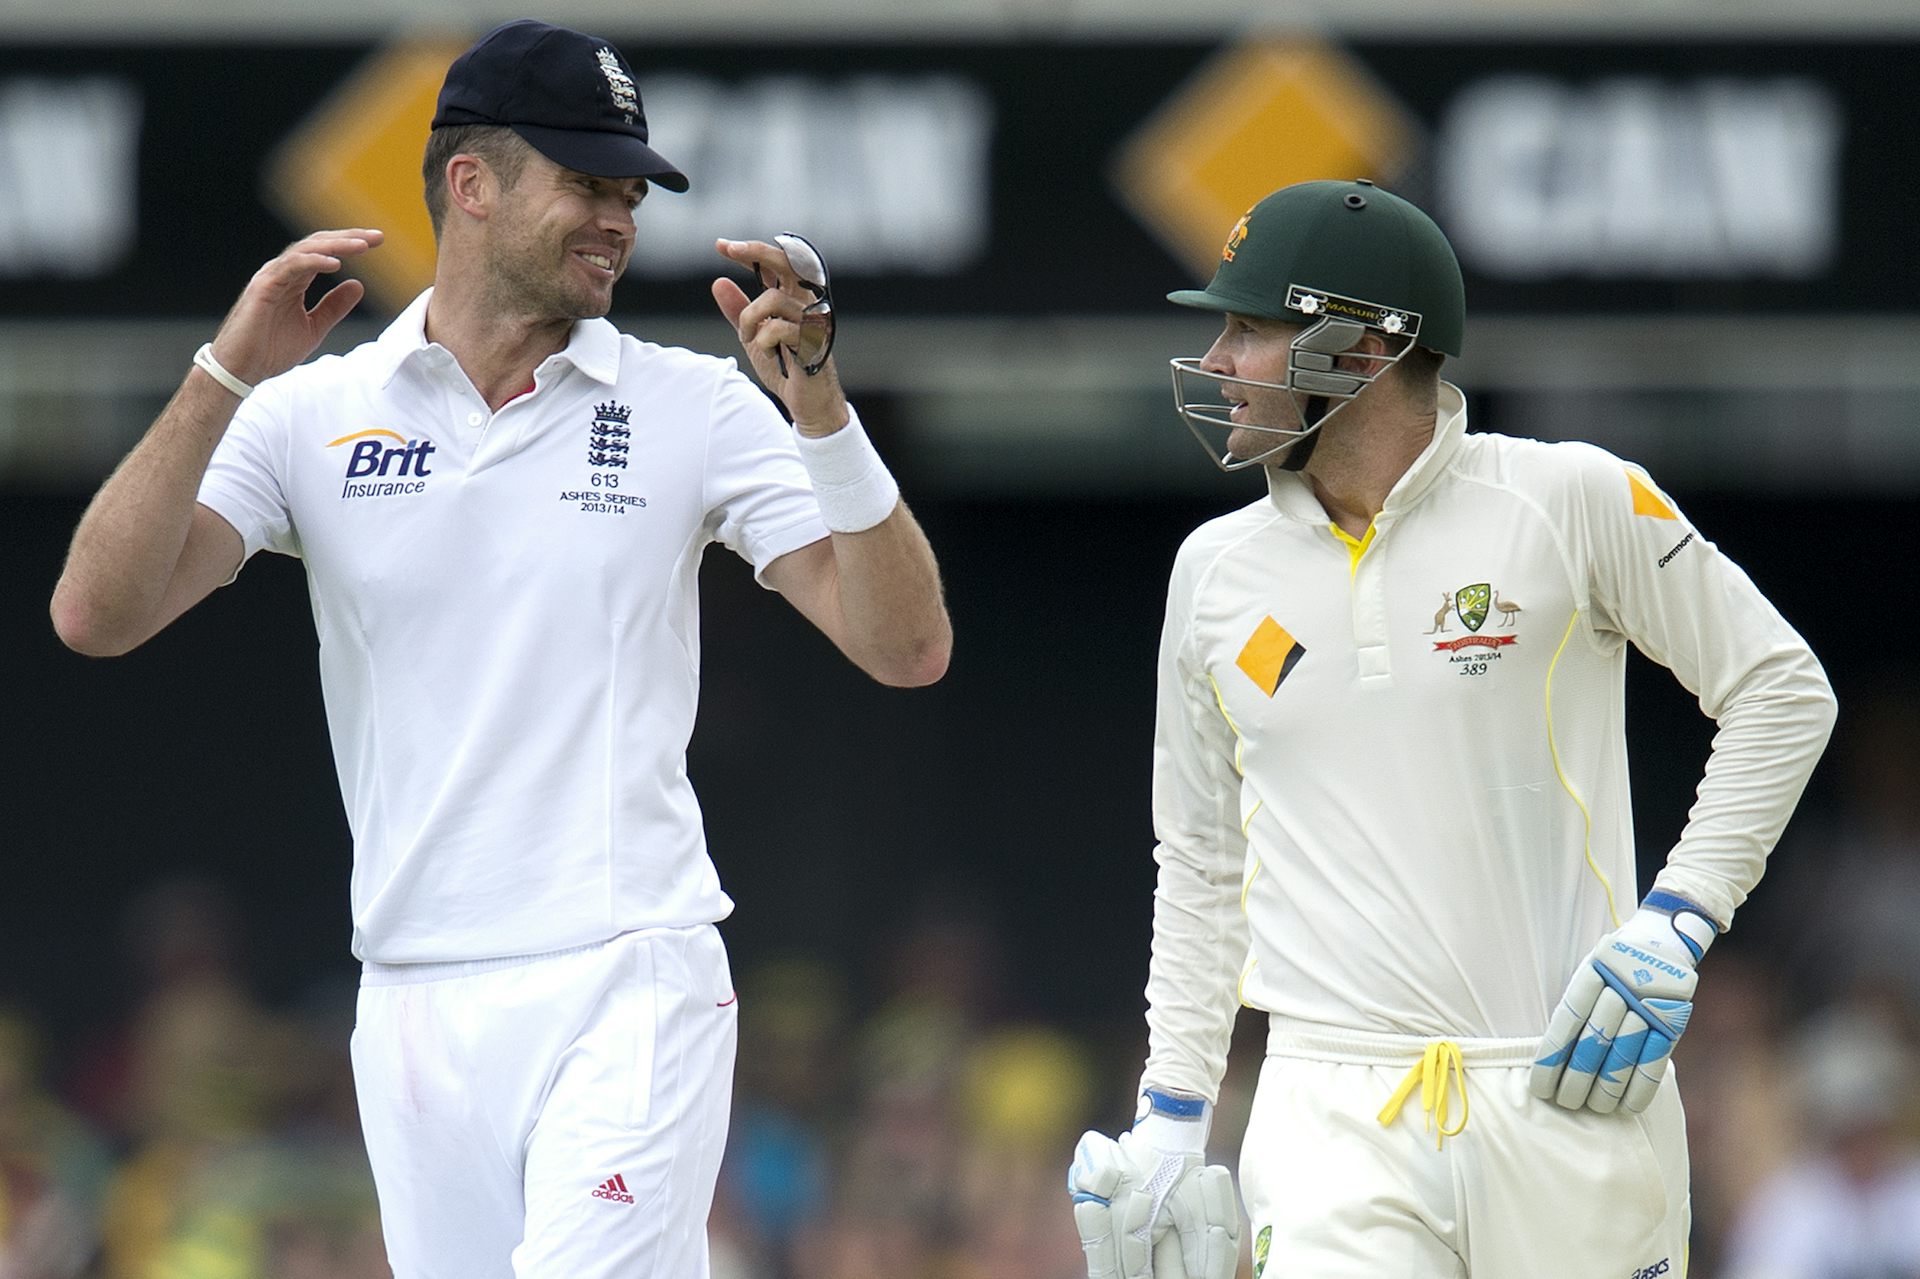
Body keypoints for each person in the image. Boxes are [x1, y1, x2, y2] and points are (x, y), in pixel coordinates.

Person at [50, 18, 950, 1278]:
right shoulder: (312, 412)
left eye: (630, 192)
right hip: (412, 994)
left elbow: (906, 647)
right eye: (587, 183)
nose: (619, 220)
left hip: (629, 970)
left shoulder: (689, 404)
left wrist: (823, 413)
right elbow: (97, 613)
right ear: (471, 184)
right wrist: (221, 376)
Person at [1067, 179, 1835, 1279]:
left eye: (1250, 328)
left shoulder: (1569, 500)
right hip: (1333, 1106)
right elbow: (1198, 860)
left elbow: (1781, 689)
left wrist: (1677, 921)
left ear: (1367, 345)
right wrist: (1173, 1116)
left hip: (1569, 1082)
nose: (1221, 362)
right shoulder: (1215, 572)